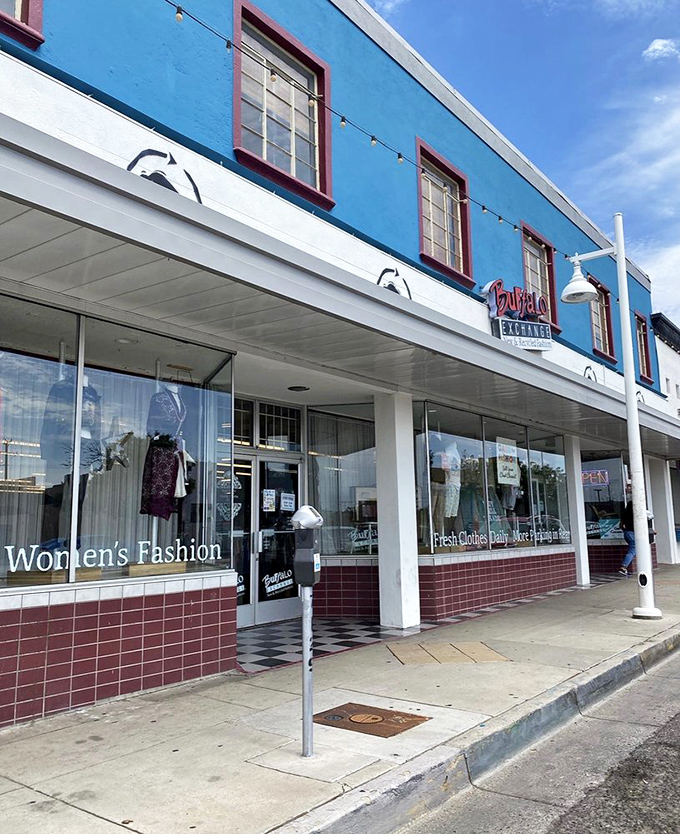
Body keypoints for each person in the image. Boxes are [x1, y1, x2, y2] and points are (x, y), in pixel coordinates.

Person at [619, 499, 635, 576]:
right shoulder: (635, 514)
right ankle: (623, 567)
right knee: (632, 551)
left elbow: (621, 525)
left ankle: (626, 568)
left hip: (627, 533)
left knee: (632, 550)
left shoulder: (624, 514)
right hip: (633, 533)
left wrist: (625, 530)